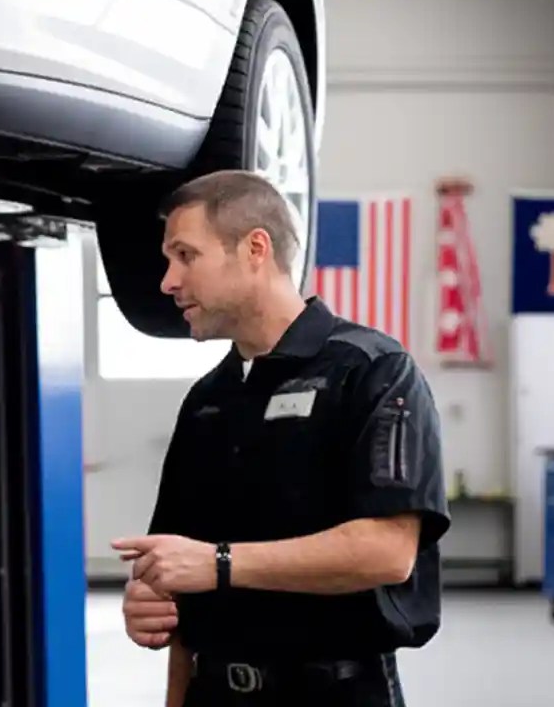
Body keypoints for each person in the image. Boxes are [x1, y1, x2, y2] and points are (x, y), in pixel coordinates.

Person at [111, 170, 450, 707]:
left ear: (255, 248)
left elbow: (388, 552)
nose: (167, 282)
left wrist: (218, 564)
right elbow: (179, 572)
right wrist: (156, 598)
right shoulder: (206, 401)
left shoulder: (373, 372)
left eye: (185, 256)